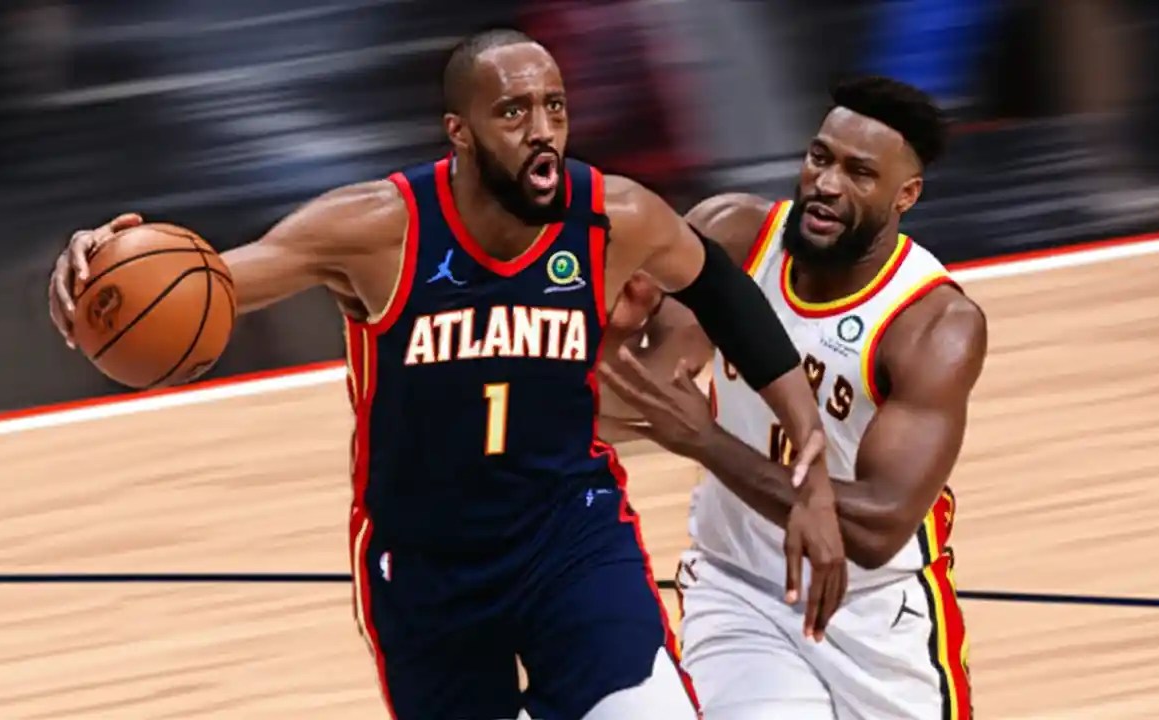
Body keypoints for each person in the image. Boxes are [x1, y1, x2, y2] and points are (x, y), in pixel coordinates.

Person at [45, 28, 847, 720]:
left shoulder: (613, 214)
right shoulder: (375, 230)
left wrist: (805, 434)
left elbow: (717, 285)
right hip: (425, 566)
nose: (542, 131)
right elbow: (213, 282)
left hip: (569, 533)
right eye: (513, 112)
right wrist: (102, 284)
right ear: (458, 133)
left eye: (554, 107)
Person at [600, 76, 987, 719]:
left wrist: (707, 442)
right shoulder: (732, 237)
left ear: (905, 195)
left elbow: (877, 525)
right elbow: (637, 408)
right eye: (820, 157)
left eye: (859, 172)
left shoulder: (932, 325)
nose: (826, 184)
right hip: (740, 590)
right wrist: (609, 346)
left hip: (876, 609)